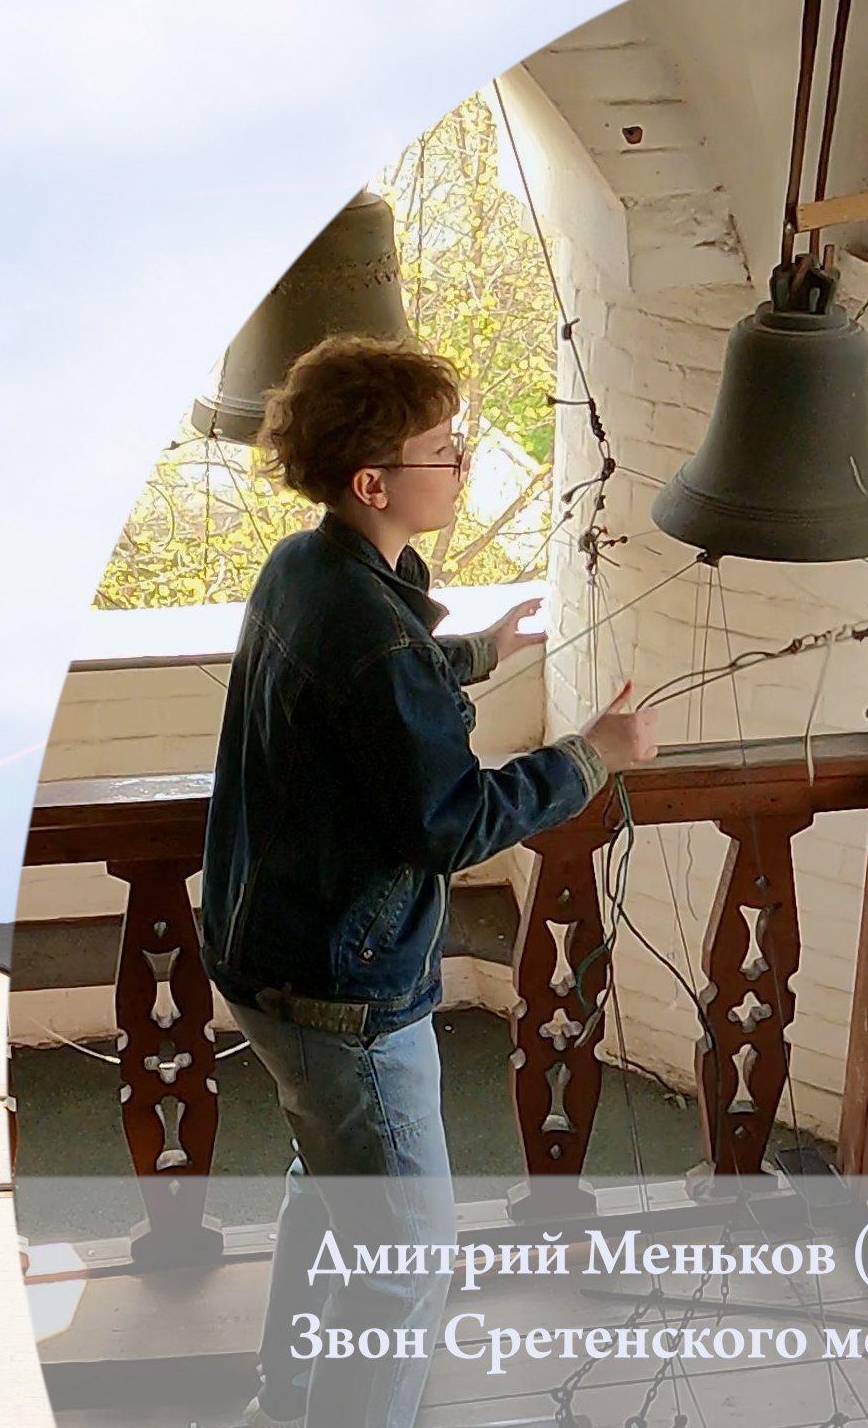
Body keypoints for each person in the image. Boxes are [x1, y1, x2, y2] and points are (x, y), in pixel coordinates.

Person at [197, 335, 657, 1428]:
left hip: (266, 956)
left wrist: (476, 654)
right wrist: (594, 754)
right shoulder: (372, 634)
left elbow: (367, 688)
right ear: (374, 482)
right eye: (443, 452)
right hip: (343, 996)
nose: (460, 467)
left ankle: (285, 1397)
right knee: (404, 1271)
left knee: (333, 1189)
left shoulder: (308, 567)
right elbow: (452, 821)